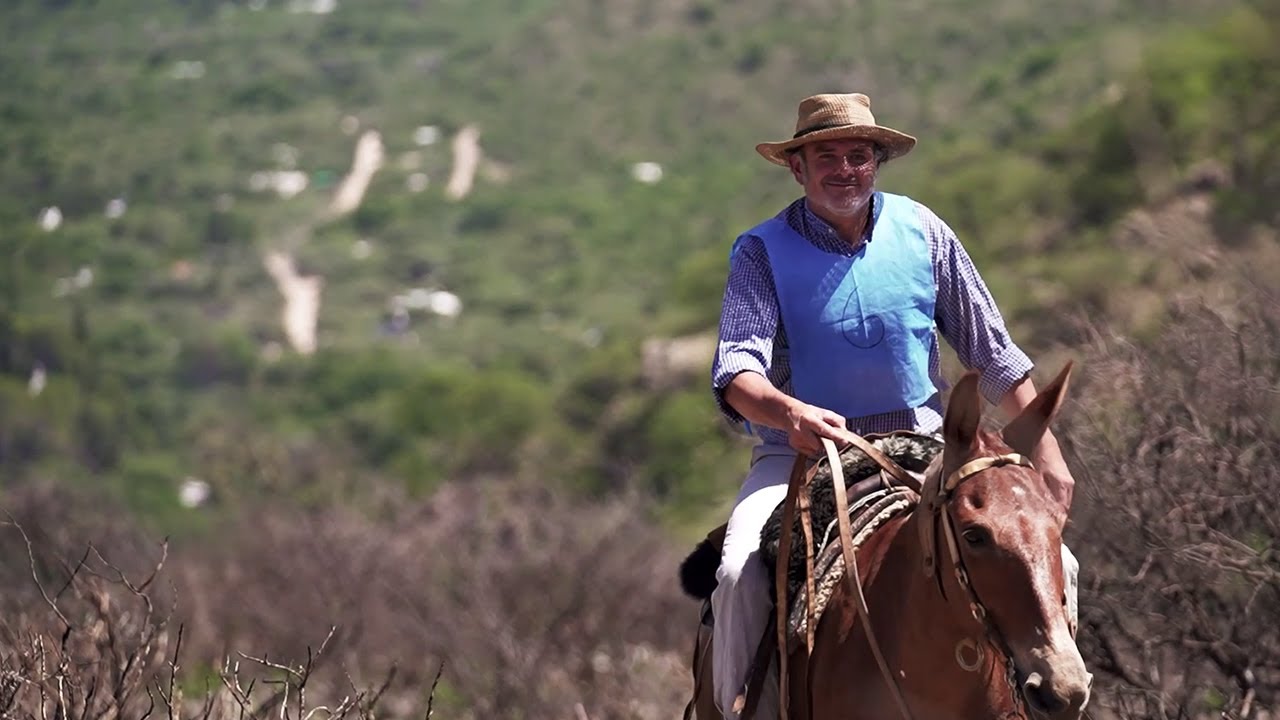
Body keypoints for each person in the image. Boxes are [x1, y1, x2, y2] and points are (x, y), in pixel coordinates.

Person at [708, 92, 1079, 718]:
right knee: (739, 571)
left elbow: (992, 353)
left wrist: (1046, 450)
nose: (844, 169)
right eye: (826, 156)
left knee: (1058, 561)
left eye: (858, 155)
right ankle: (738, 709)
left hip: (926, 449)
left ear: (877, 162)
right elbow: (737, 371)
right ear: (797, 168)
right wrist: (791, 414)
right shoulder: (760, 251)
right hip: (800, 455)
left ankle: (1054, 693)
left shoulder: (924, 231)